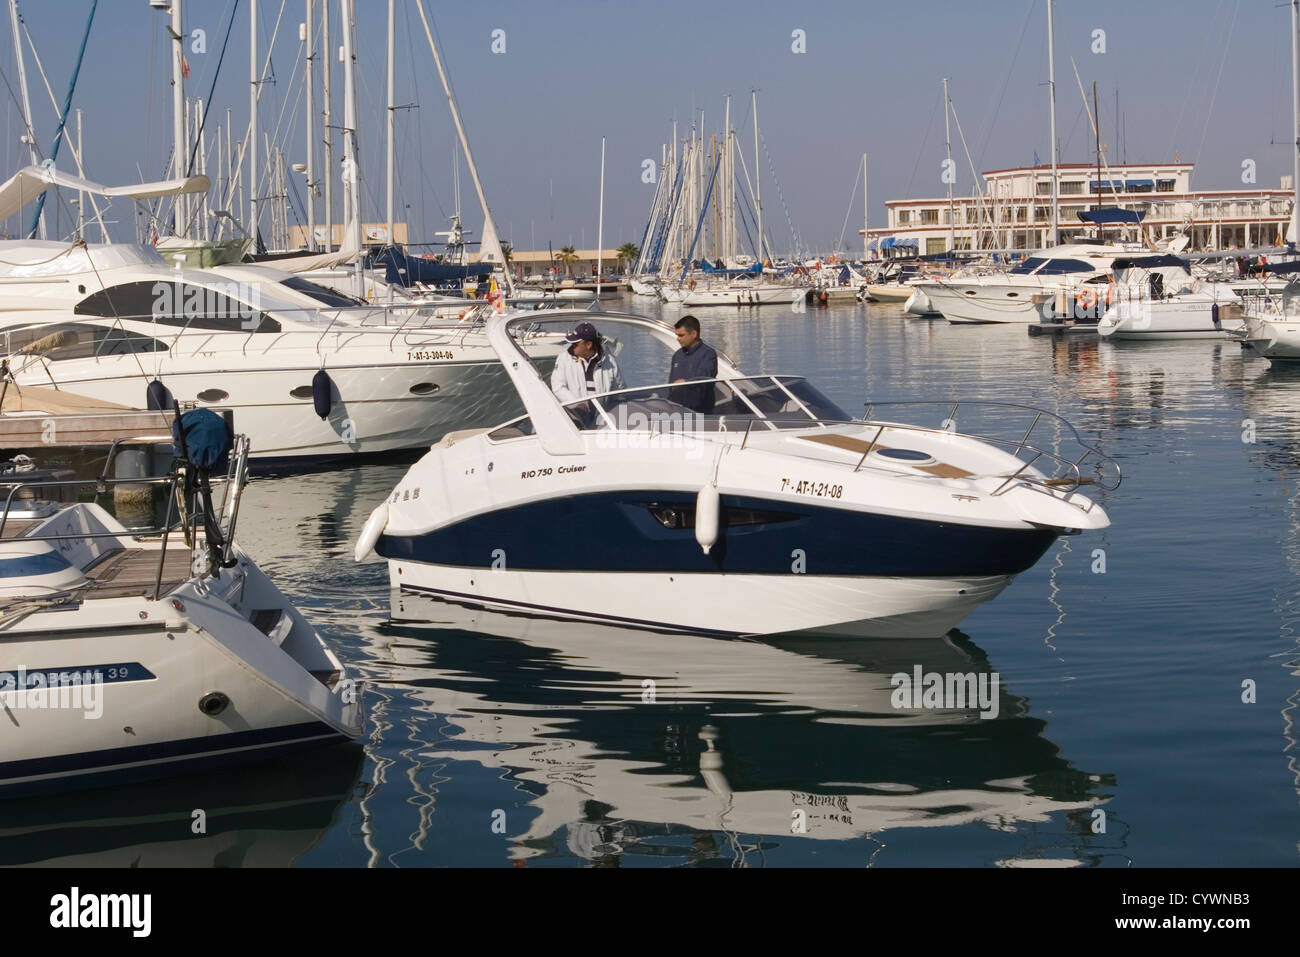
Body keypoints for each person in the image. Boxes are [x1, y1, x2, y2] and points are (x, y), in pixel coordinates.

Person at [551, 322, 624, 422]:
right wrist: (577, 404)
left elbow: (620, 391)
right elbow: (557, 387)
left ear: (589, 344)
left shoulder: (610, 360)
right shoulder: (563, 358)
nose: (572, 346)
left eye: (575, 344)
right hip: (575, 421)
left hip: (604, 420)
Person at [669, 315, 718, 413]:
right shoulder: (677, 355)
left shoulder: (708, 354)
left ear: (694, 334)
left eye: (681, 335)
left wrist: (685, 382)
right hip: (675, 413)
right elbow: (671, 385)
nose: (678, 339)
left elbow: (705, 377)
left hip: (699, 413)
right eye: (677, 335)